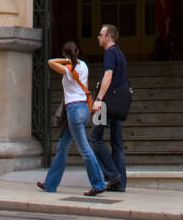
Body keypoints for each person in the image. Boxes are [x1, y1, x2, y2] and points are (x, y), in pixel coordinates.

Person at [37, 41, 108, 196]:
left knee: (84, 148)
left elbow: (50, 62)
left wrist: (66, 60)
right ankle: (50, 184)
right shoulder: (84, 66)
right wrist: (71, 59)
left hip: (74, 110)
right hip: (83, 108)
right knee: (62, 147)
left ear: (66, 55)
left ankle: (99, 183)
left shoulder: (68, 69)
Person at [90, 23, 130, 192]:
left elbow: (108, 75)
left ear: (108, 37)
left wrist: (98, 99)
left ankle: (113, 175)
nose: (98, 37)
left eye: (101, 34)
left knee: (95, 138)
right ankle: (120, 184)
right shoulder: (120, 54)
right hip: (118, 105)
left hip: (107, 103)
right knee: (117, 144)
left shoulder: (110, 53)